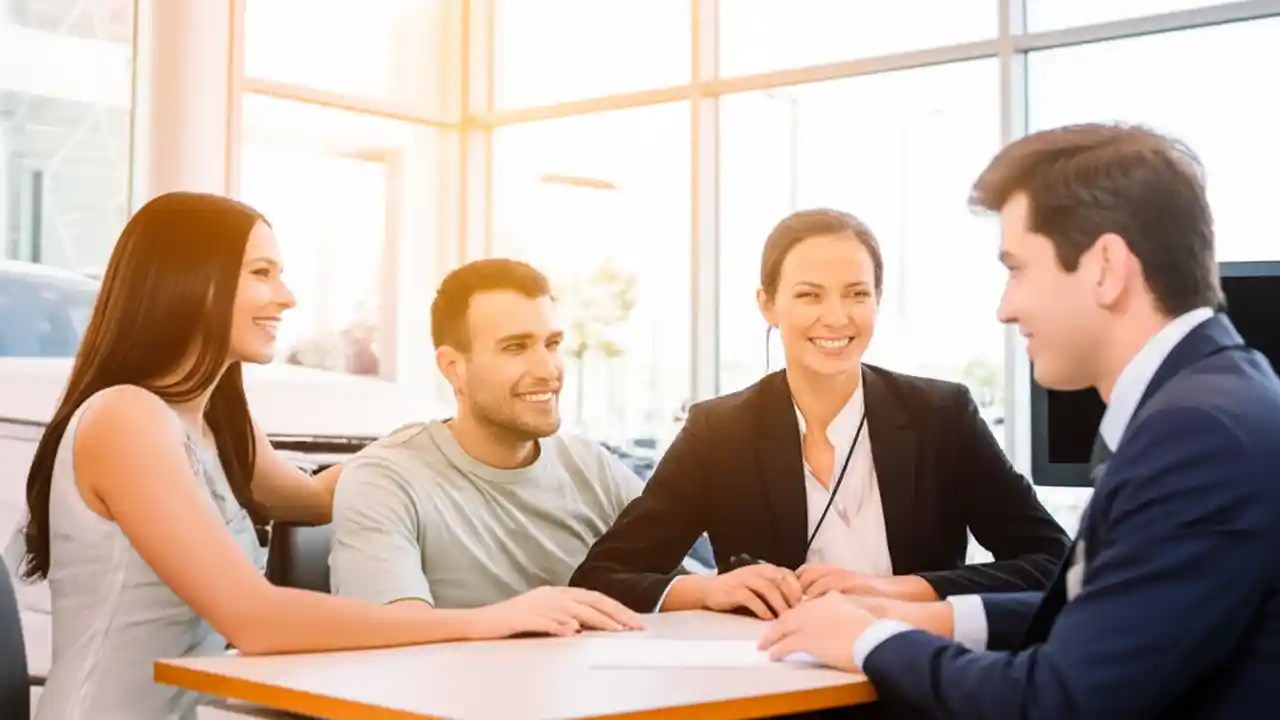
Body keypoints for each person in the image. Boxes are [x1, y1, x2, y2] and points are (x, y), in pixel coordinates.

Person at [20, 193, 642, 720]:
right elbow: (255, 621)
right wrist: (487, 619)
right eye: (261, 273)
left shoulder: (218, 422)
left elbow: (317, 498)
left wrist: (449, 442)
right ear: (191, 280)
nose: (286, 297)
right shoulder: (126, 419)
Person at [757, 124, 1280, 719]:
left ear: (1106, 267)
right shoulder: (1219, 398)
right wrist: (925, 616)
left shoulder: (1198, 436)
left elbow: (1057, 704)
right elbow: (1116, 614)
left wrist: (868, 642)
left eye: (1017, 269)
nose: (1006, 308)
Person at [570, 208, 1070, 618]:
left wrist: (901, 590)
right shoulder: (719, 431)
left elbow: (1053, 561)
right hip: (775, 685)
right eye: (809, 295)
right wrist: (706, 591)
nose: (836, 317)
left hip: (915, 676)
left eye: (857, 294)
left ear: (879, 300)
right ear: (768, 304)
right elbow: (603, 576)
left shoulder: (941, 416)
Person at [328, 259, 653, 610]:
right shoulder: (386, 480)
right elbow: (389, 636)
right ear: (455, 369)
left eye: (552, 344)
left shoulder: (592, 467)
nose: (547, 370)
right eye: (515, 347)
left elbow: (681, 585)